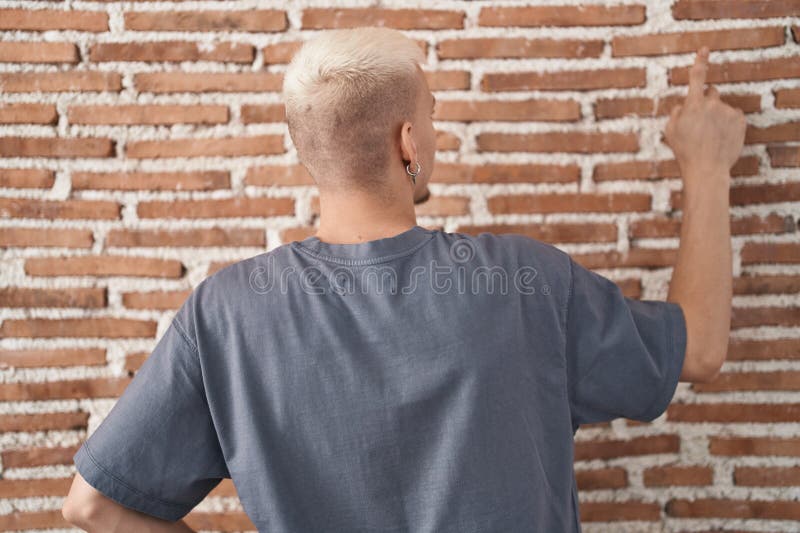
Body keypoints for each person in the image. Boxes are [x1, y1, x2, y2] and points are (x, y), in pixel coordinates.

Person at [62, 26, 745, 533]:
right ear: (408, 142)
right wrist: (707, 167)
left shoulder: (225, 314)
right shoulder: (524, 283)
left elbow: (95, 504)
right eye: (433, 116)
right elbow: (701, 348)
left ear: (308, 149)